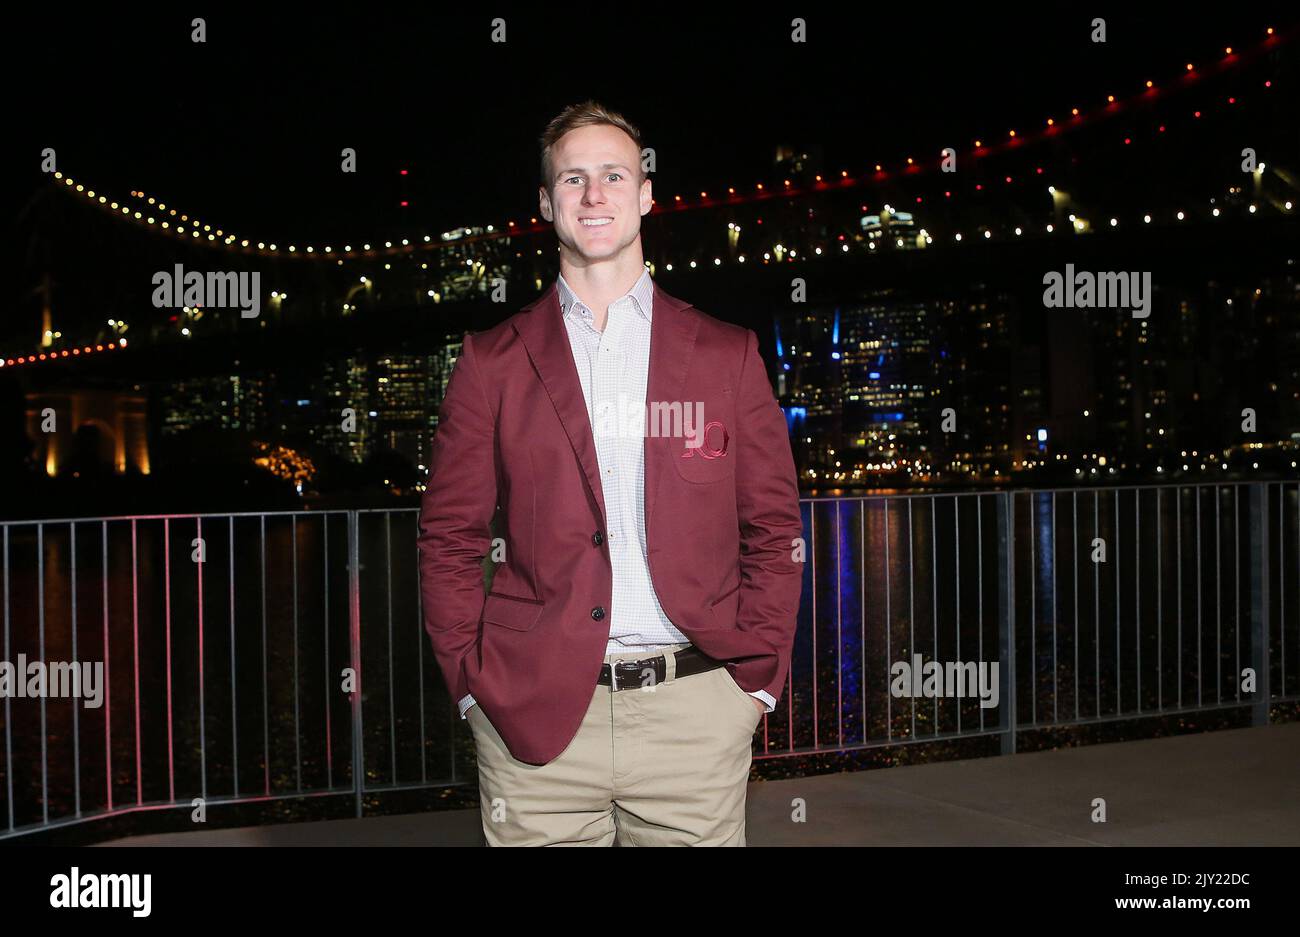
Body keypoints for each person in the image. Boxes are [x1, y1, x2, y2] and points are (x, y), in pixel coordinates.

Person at [417, 100, 803, 845]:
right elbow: (449, 536)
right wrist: (470, 687)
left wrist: (752, 686)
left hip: (696, 712)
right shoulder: (490, 360)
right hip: (533, 723)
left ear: (647, 196)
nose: (594, 195)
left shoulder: (728, 354)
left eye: (614, 175)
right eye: (573, 179)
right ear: (545, 202)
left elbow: (775, 527)